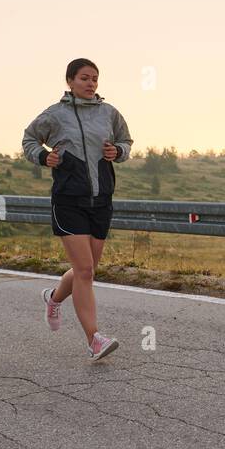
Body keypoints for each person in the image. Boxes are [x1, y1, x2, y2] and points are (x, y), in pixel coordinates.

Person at [22, 58, 133, 361]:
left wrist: (118, 151)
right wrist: (44, 158)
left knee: (88, 268)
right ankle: (94, 339)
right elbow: (29, 139)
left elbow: (126, 142)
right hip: (69, 199)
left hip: (101, 200)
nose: (91, 83)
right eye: (84, 78)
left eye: (95, 78)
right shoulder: (55, 114)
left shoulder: (110, 113)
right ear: (70, 81)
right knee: (84, 270)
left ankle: (54, 298)